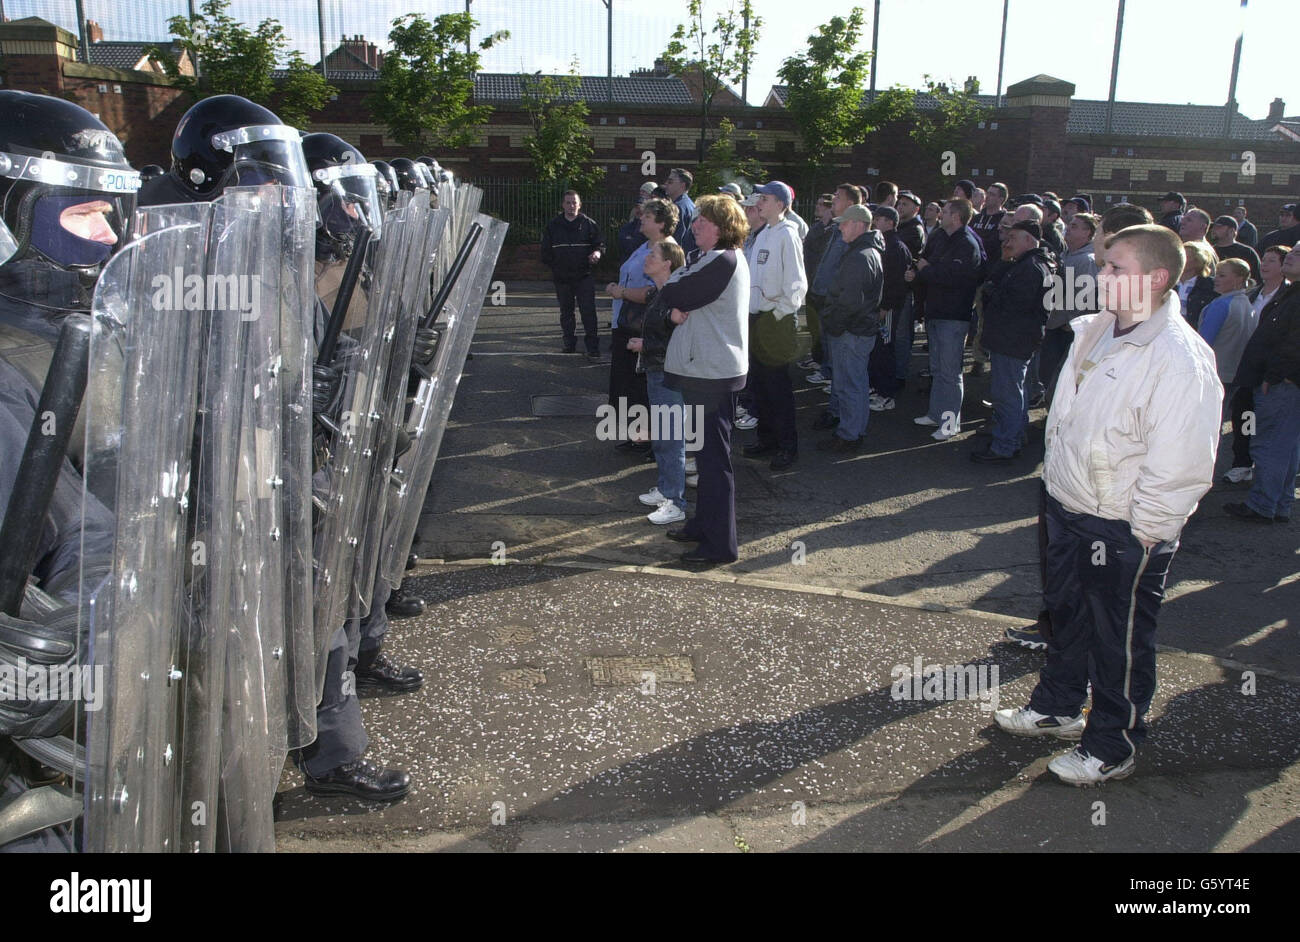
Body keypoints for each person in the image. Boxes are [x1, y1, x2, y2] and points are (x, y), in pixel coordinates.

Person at [995, 224, 1222, 786]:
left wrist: (1145, 531)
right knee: (1067, 618)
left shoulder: (1180, 358)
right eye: (1104, 265)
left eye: (1115, 268)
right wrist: (1056, 491)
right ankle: (1058, 706)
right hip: (1069, 504)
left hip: (1121, 524)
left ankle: (1112, 745)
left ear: (1156, 277)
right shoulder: (1096, 329)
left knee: (1116, 638)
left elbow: (1184, 462)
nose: (1101, 276)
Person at [659, 194, 750, 567]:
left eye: (704, 221)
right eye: (695, 220)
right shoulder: (708, 259)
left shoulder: (722, 261)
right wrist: (673, 291)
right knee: (706, 457)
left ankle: (720, 545)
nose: (695, 226)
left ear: (724, 227)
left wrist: (668, 283)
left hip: (713, 374)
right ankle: (703, 526)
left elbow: (676, 291)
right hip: (705, 370)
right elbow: (676, 294)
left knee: (713, 463)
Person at [1223, 245, 1300, 524]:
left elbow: (1294, 344)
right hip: (1279, 382)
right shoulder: (1291, 293)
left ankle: (1262, 504)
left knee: (1271, 445)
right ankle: (1278, 504)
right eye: (1292, 252)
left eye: (1298, 254)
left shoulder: (1294, 296)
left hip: (1281, 384)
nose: (1290, 256)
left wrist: (1275, 376)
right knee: (1286, 448)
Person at [971, 220, 1056, 463]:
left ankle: (1004, 445)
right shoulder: (1030, 263)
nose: (1007, 243)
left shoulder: (1030, 267)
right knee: (1014, 392)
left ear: (1029, 240)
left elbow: (1011, 305)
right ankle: (1013, 437)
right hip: (1016, 339)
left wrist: (993, 291)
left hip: (1012, 340)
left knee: (1007, 394)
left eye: (1013, 238)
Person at [741, 181, 806, 472]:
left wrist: (778, 315)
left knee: (778, 388)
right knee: (760, 386)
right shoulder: (764, 234)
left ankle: (786, 446)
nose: (759, 203)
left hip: (775, 322)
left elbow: (796, 284)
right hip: (756, 319)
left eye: (765, 199)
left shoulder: (786, 235)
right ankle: (766, 438)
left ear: (780, 204)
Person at [605, 197, 678, 454]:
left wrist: (622, 292)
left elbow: (653, 292)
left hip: (644, 327)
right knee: (627, 385)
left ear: (660, 222)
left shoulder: (666, 249)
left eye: (646, 216)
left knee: (643, 387)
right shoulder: (644, 245)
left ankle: (649, 441)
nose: (641, 219)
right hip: (626, 322)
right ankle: (638, 435)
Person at [909, 198, 986, 441]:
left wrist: (925, 270)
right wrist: (921, 270)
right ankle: (936, 414)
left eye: (944, 212)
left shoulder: (967, 244)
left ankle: (951, 423)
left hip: (954, 315)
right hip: (935, 311)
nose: (940, 215)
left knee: (951, 371)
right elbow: (927, 263)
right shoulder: (941, 237)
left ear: (957, 216)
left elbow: (954, 278)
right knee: (938, 368)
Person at [627, 239, 689, 524]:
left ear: (668, 263)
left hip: (668, 372)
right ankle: (666, 490)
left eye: (653, 255)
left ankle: (675, 500)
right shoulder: (659, 294)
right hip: (656, 370)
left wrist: (645, 346)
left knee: (671, 437)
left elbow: (678, 339)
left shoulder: (674, 296)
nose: (647, 258)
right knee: (663, 435)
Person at [816, 203, 883, 453]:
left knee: (850, 384)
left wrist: (833, 323)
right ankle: (852, 431)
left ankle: (850, 435)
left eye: (844, 222)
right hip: (855, 329)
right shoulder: (863, 251)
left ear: (858, 225)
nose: (840, 227)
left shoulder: (860, 255)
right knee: (853, 383)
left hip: (851, 331)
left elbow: (850, 301)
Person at [541, 190, 605, 358]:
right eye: (568, 203)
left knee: (588, 312)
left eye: (574, 202)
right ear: (563, 205)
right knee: (566, 312)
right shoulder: (553, 225)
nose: (571, 206)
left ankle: (592, 347)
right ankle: (569, 344)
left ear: (580, 204)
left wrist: (597, 253)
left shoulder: (589, 224)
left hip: (584, 276)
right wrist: (556, 266)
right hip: (562, 278)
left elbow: (599, 245)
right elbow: (545, 251)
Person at [866, 205, 912, 412]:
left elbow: (896, 283)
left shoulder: (895, 246)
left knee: (885, 348)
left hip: (888, 309)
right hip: (879, 306)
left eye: (880, 219)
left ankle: (887, 394)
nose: (875, 222)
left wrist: (885, 307)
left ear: (890, 223)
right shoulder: (884, 243)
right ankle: (877, 388)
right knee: (877, 349)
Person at [1197, 258, 1257, 388]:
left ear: (1239, 279)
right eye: (1217, 274)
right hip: (1236, 375)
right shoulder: (1250, 306)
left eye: (1222, 275)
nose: (1216, 278)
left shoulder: (1221, 305)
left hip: (1212, 373)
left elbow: (1203, 342)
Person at [1176, 240, 1218, 327]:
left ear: (1198, 260)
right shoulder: (1170, 281)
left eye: (1186, 256)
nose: (1181, 258)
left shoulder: (1209, 285)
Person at [1210, 214, 1261, 283]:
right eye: (1213, 227)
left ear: (1231, 231)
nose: (1213, 230)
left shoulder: (1246, 252)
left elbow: (1256, 278)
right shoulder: (1209, 251)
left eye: (1219, 227)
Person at [665, 168, 697, 253]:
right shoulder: (689, 204)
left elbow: (676, 240)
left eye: (670, 182)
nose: (666, 184)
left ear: (682, 185)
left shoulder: (678, 207)